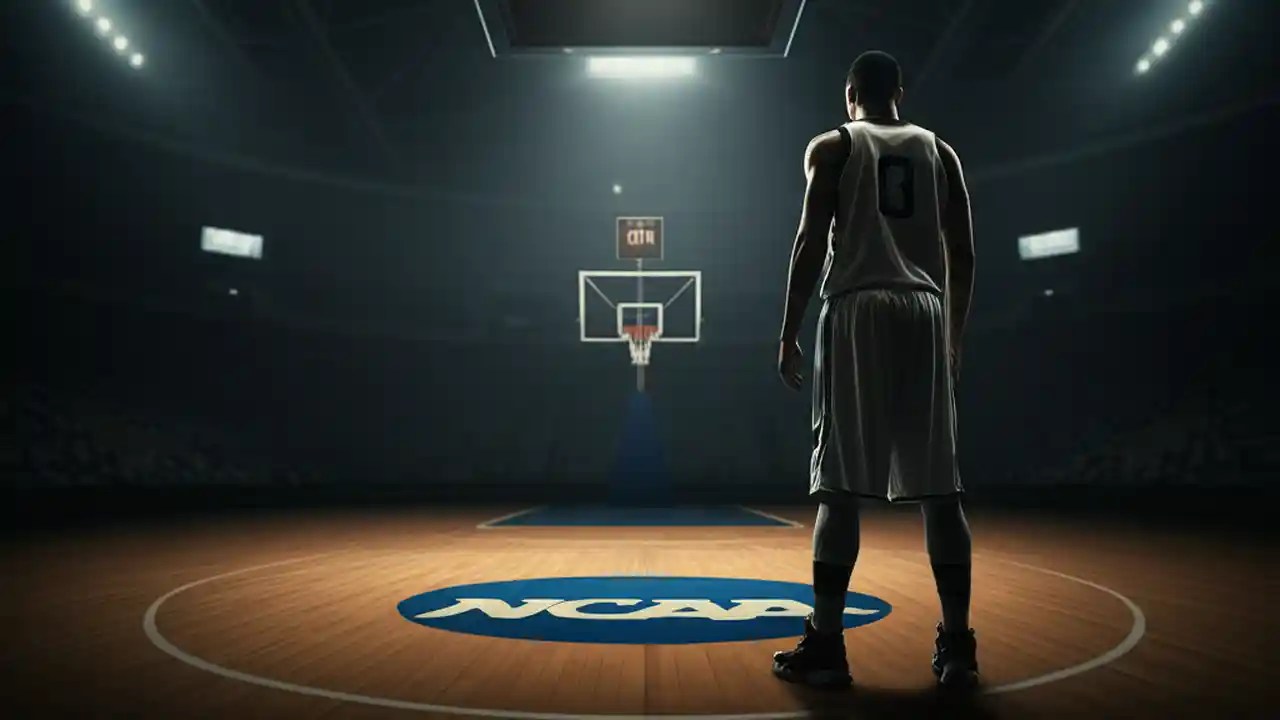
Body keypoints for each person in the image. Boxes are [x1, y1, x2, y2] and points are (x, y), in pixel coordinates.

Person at [772, 50, 978, 689]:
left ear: (850, 93)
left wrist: (788, 331)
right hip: (925, 309)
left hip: (859, 307)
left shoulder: (833, 147)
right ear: (900, 92)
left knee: (838, 489)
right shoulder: (942, 154)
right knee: (941, 493)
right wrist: (954, 338)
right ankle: (958, 647)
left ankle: (828, 647)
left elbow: (809, 243)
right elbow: (964, 254)